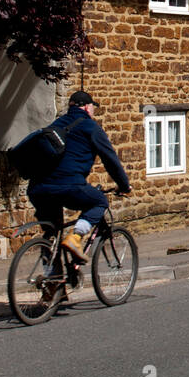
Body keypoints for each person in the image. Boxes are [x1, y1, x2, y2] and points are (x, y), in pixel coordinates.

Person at [27, 90, 131, 261]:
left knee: (53, 232)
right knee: (100, 201)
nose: (93, 111)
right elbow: (110, 159)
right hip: (68, 185)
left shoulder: (56, 124)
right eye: (92, 107)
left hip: (38, 188)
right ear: (87, 107)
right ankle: (76, 238)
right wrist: (124, 185)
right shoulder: (90, 127)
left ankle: (53, 279)